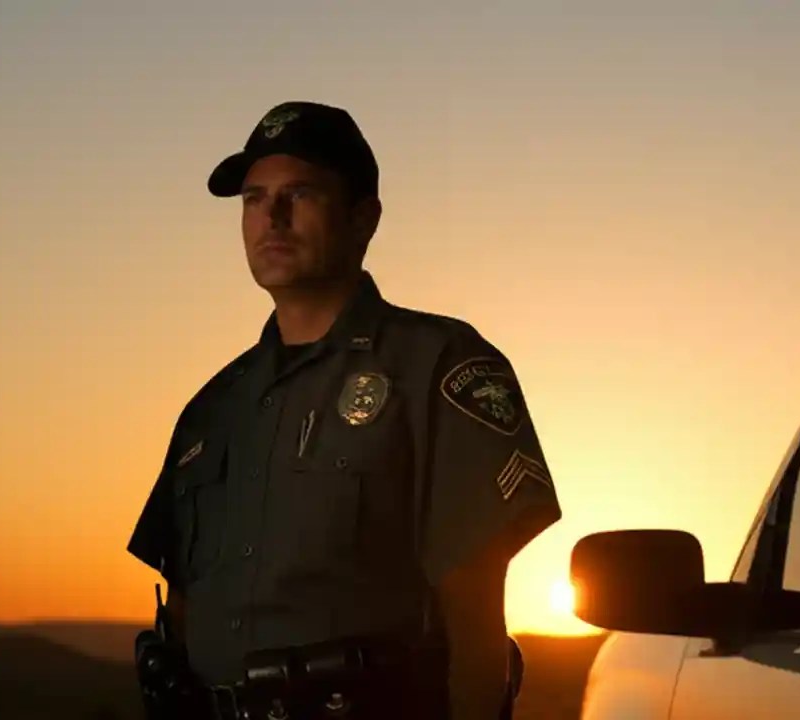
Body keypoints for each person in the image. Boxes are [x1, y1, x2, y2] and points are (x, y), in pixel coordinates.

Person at [127, 100, 562, 720]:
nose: (270, 218)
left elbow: (474, 607)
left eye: (299, 194)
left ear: (365, 217)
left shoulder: (435, 366)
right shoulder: (212, 408)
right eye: (254, 199)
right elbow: (184, 613)